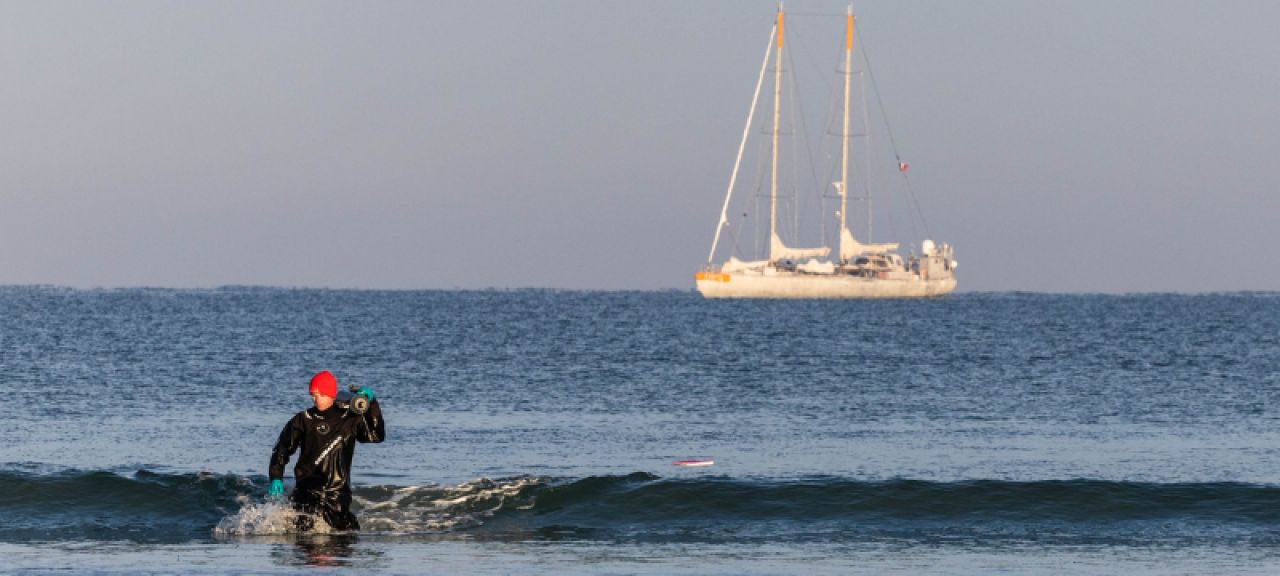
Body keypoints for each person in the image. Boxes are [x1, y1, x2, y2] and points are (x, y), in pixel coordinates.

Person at [268, 371, 386, 531]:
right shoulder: (303, 419)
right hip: (306, 490)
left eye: (321, 394)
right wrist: (276, 476)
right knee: (303, 541)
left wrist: (372, 404)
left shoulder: (349, 419)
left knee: (342, 542)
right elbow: (282, 449)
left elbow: (376, 436)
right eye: (313, 395)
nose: (315, 399)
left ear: (331, 395)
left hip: (337, 494)